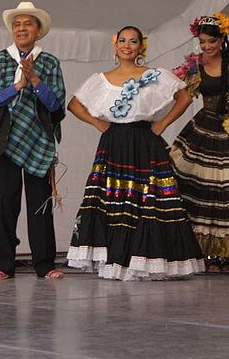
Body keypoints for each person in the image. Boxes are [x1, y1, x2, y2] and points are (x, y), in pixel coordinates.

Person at [66, 25, 204, 280]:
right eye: (123, 41)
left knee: (148, 199)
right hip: (114, 142)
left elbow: (184, 96)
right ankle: (115, 260)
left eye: (133, 41)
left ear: (141, 47)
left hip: (144, 141)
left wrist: (163, 123)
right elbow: (74, 104)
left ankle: (147, 261)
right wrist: (97, 122)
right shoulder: (101, 79)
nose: (127, 45)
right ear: (115, 45)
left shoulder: (154, 75)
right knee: (115, 200)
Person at [0, 2, 66, 280]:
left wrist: (35, 79)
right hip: (4, 140)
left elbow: (56, 106)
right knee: (5, 205)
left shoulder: (49, 62)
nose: (21, 28)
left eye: (28, 24)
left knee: (39, 204)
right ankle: (4, 264)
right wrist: (18, 85)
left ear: (38, 31)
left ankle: (45, 264)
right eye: (17, 24)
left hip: (38, 140)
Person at [169, 13, 229, 272]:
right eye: (202, 41)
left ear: (222, 39)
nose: (206, 46)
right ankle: (205, 253)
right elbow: (178, 95)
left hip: (226, 129)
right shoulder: (195, 66)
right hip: (204, 130)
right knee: (201, 189)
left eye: (211, 41)